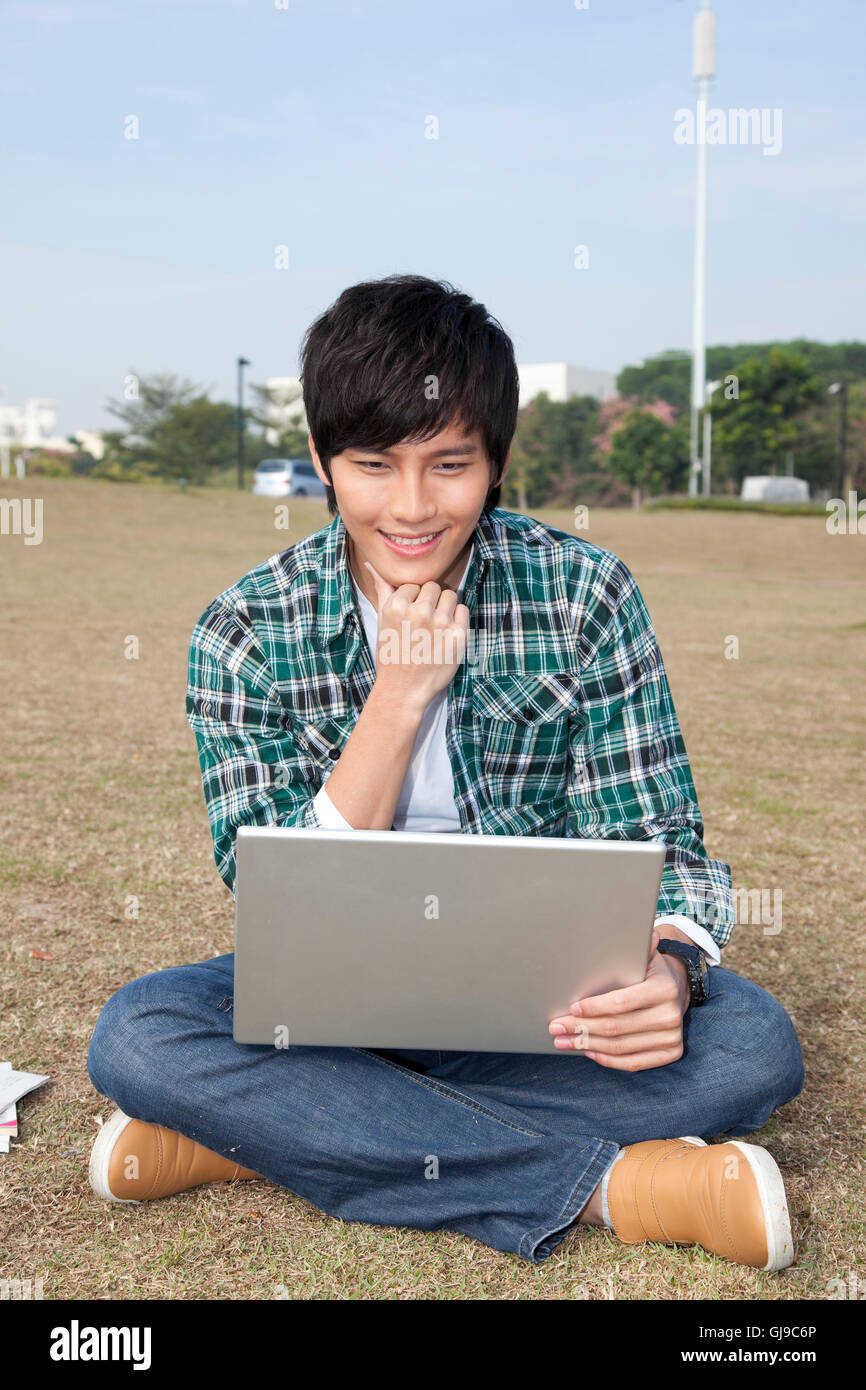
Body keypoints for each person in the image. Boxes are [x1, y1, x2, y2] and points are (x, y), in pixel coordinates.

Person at [86, 274, 804, 1270]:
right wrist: (396, 702)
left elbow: (659, 840)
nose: (412, 506)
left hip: (544, 1005)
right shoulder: (242, 627)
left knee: (749, 1047)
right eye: (373, 464)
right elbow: (271, 896)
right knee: (138, 1035)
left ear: (496, 460)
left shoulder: (583, 592)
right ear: (321, 461)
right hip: (328, 1008)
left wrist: (669, 965)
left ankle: (265, 1138)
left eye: (449, 464)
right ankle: (614, 1184)